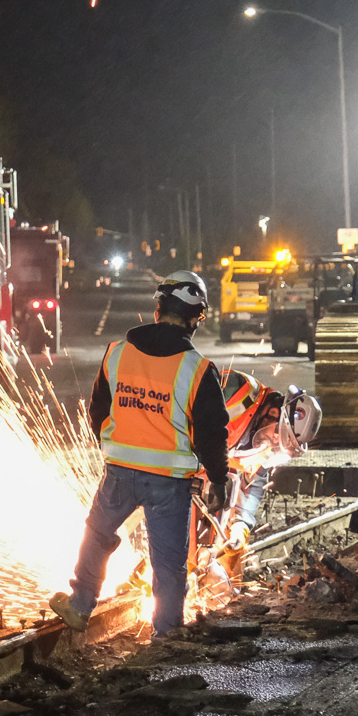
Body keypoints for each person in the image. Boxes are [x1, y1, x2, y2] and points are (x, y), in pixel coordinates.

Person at [51, 271, 231, 637]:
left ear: (158, 310)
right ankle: (166, 632)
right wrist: (218, 477)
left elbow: (97, 408)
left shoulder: (117, 353)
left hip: (120, 471)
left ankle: (80, 604)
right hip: (169, 482)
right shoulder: (198, 369)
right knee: (168, 564)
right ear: (195, 318)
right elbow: (213, 432)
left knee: (97, 534)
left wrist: (114, 441)